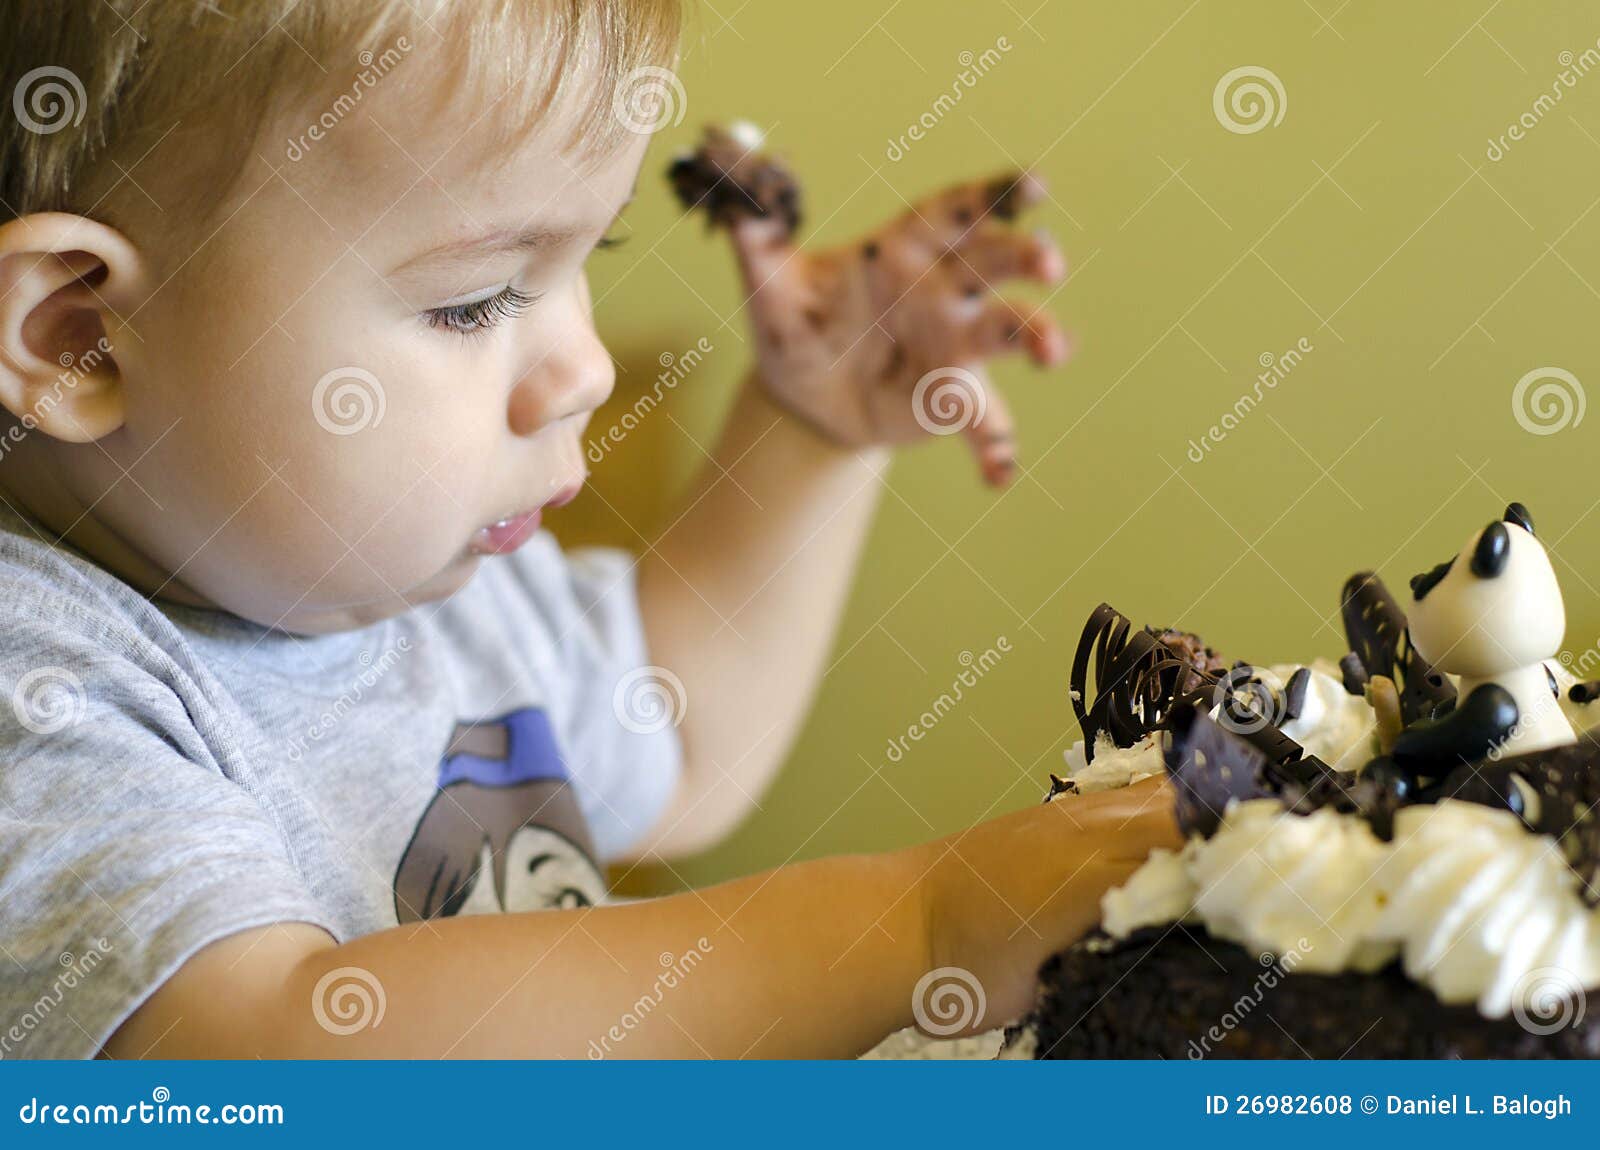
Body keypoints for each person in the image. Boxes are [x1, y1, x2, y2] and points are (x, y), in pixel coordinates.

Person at [0, 1, 1177, 1058]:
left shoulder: (423, 576)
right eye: (473, 298)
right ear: (76, 336)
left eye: (588, 256)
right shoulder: (44, 684)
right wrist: (917, 928)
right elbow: (260, 1057)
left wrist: (812, 430)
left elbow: (685, 736)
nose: (585, 368)